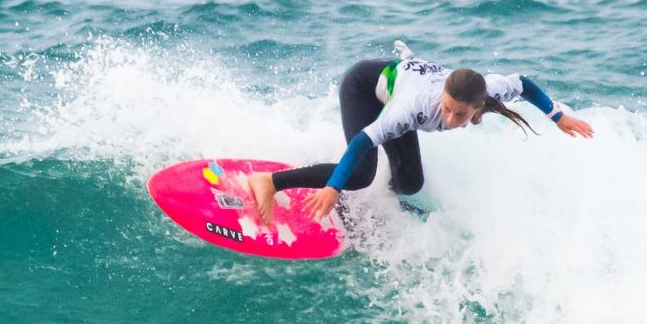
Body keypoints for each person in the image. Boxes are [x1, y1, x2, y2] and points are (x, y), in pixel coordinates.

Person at [244, 47, 594, 225]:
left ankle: (367, 201)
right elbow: (362, 141)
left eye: (460, 114)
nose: (450, 119)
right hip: (364, 87)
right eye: (447, 108)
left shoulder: (489, 90)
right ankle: (269, 182)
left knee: (410, 183)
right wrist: (335, 187)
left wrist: (558, 116)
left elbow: (523, 83)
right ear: (442, 95)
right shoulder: (414, 107)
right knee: (361, 173)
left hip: (395, 90)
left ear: (478, 106)